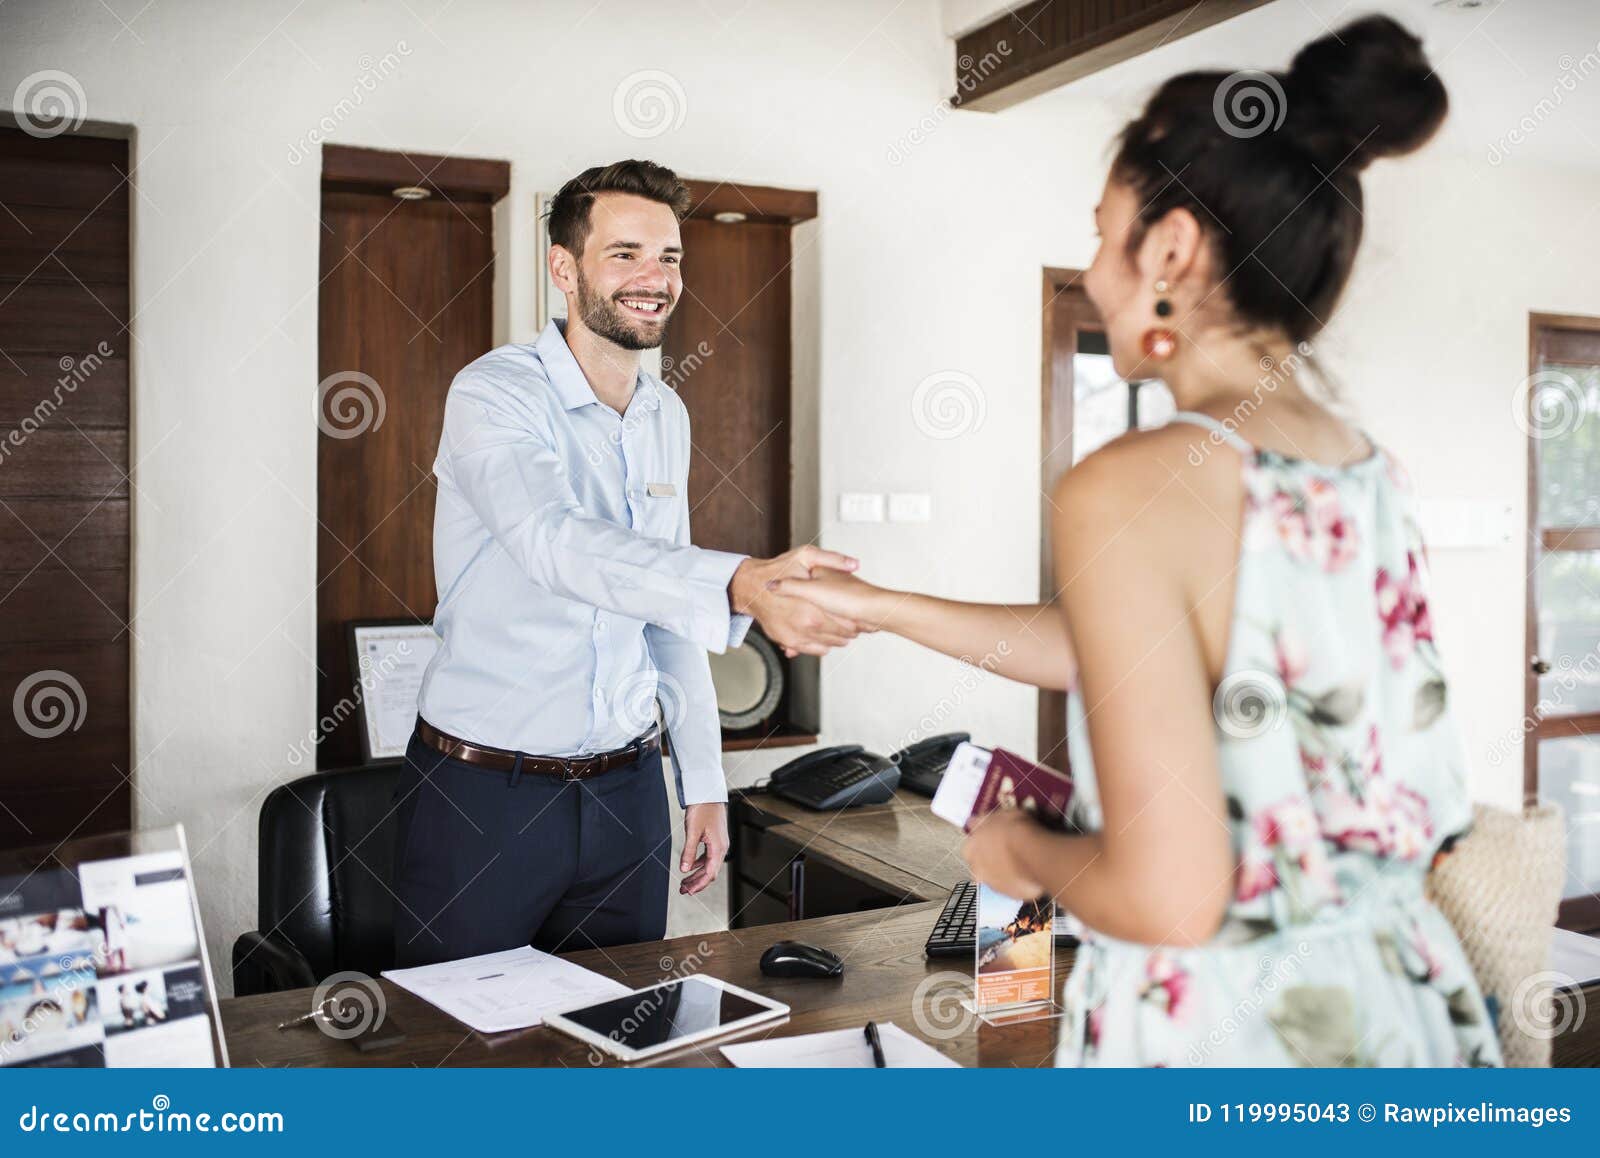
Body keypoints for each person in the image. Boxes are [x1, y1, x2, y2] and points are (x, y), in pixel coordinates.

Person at [778, 16, 1501, 1067]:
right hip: (1402, 1006)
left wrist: (1015, 850)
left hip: (1234, 1034)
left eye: (1100, 233)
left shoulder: (1129, 482)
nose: (1096, 272)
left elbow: (1165, 899)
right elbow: (1113, 643)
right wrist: (871, 605)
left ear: (1168, 248)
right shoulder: (1359, 466)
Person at [394, 160, 860, 967]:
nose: (655, 278)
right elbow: (553, 541)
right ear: (564, 268)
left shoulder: (663, 411)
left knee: (621, 1040)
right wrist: (737, 580)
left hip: (626, 798)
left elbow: (663, 612)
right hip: (483, 796)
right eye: (626, 254)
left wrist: (704, 783)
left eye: (670, 257)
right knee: (460, 1056)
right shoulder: (493, 394)